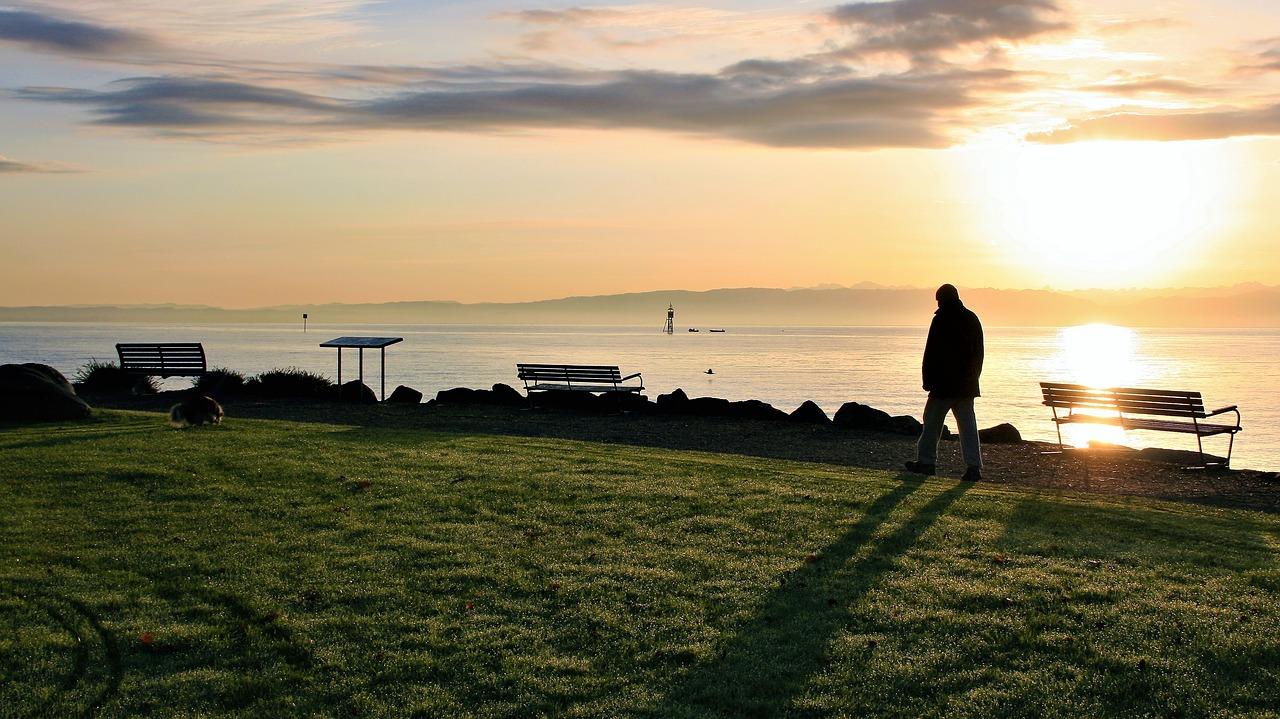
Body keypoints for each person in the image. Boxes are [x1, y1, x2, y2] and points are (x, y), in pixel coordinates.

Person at [905, 284, 984, 481]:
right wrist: (974, 379)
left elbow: (931, 352)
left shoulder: (941, 319)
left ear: (943, 300)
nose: (938, 304)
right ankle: (973, 467)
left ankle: (926, 462)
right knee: (968, 427)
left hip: (943, 385)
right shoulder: (971, 318)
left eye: (939, 300)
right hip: (966, 385)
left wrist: (927, 379)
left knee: (931, 423)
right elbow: (979, 354)